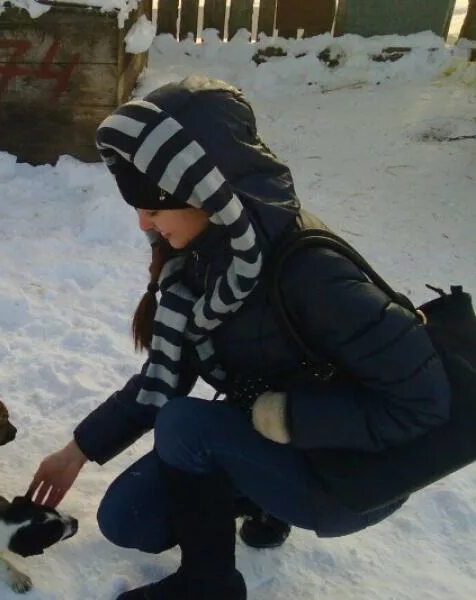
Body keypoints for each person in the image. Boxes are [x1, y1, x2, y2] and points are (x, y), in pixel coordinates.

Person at [27, 76, 451, 600]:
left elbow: (424, 404)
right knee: (127, 518)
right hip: (292, 439)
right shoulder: (205, 263)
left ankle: (210, 583)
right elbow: (165, 378)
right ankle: (264, 498)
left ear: (204, 189)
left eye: (154, 208)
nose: (143, 225)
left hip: (353, 476)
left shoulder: (311, 274)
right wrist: (79, 449)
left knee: (187, 424)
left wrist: (283, 418)